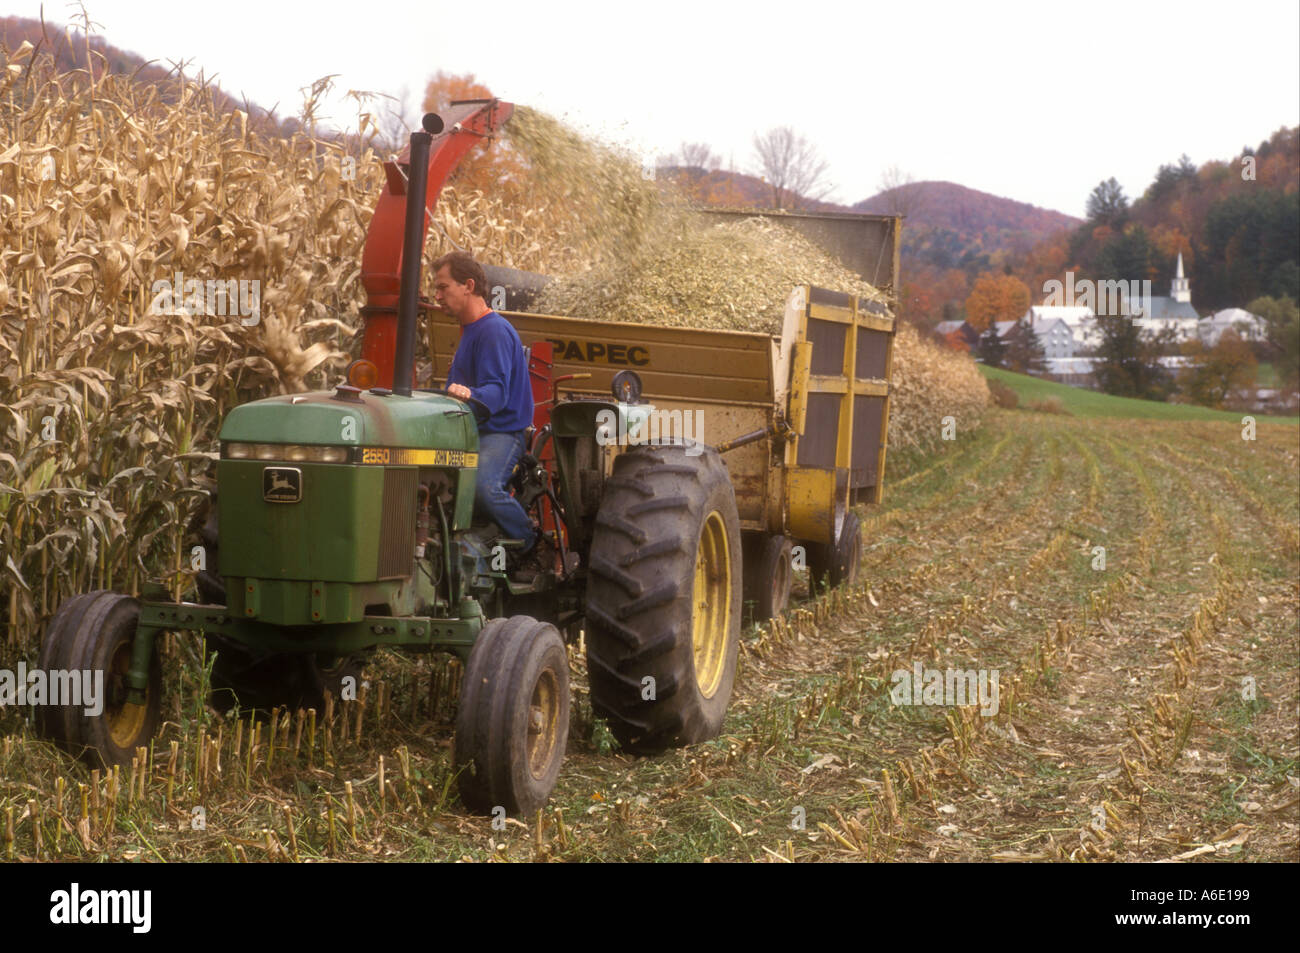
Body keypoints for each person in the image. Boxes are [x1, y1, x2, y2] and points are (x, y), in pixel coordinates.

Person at [432, 251, 539, 567]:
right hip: (471, 429)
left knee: (481, 486)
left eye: (443, 287)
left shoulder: (492, 330)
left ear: (467, 285)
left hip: (501, 431)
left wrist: (469, 393)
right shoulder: (469, 330)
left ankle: (528, 542)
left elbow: (495, 395)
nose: (437, 296)